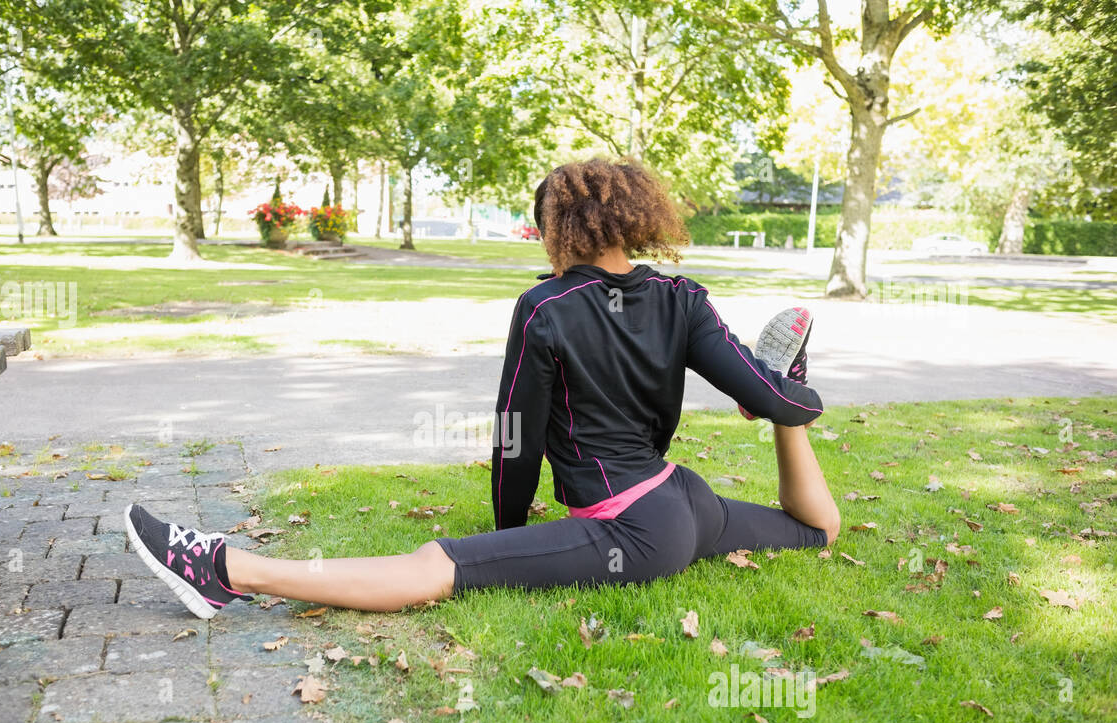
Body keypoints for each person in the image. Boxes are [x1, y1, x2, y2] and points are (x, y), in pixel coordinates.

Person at [123, 157, 840, 618]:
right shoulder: (685, 298)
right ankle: (226, 569)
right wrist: (782, 398)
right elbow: (780, 403)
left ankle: (223, 568)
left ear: (555, 230)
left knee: (434, 567)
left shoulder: (547, 309)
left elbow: (515, 440)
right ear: (631, 219)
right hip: (686, 501)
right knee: (813, 533)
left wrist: (504, 539)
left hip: (633, 526)